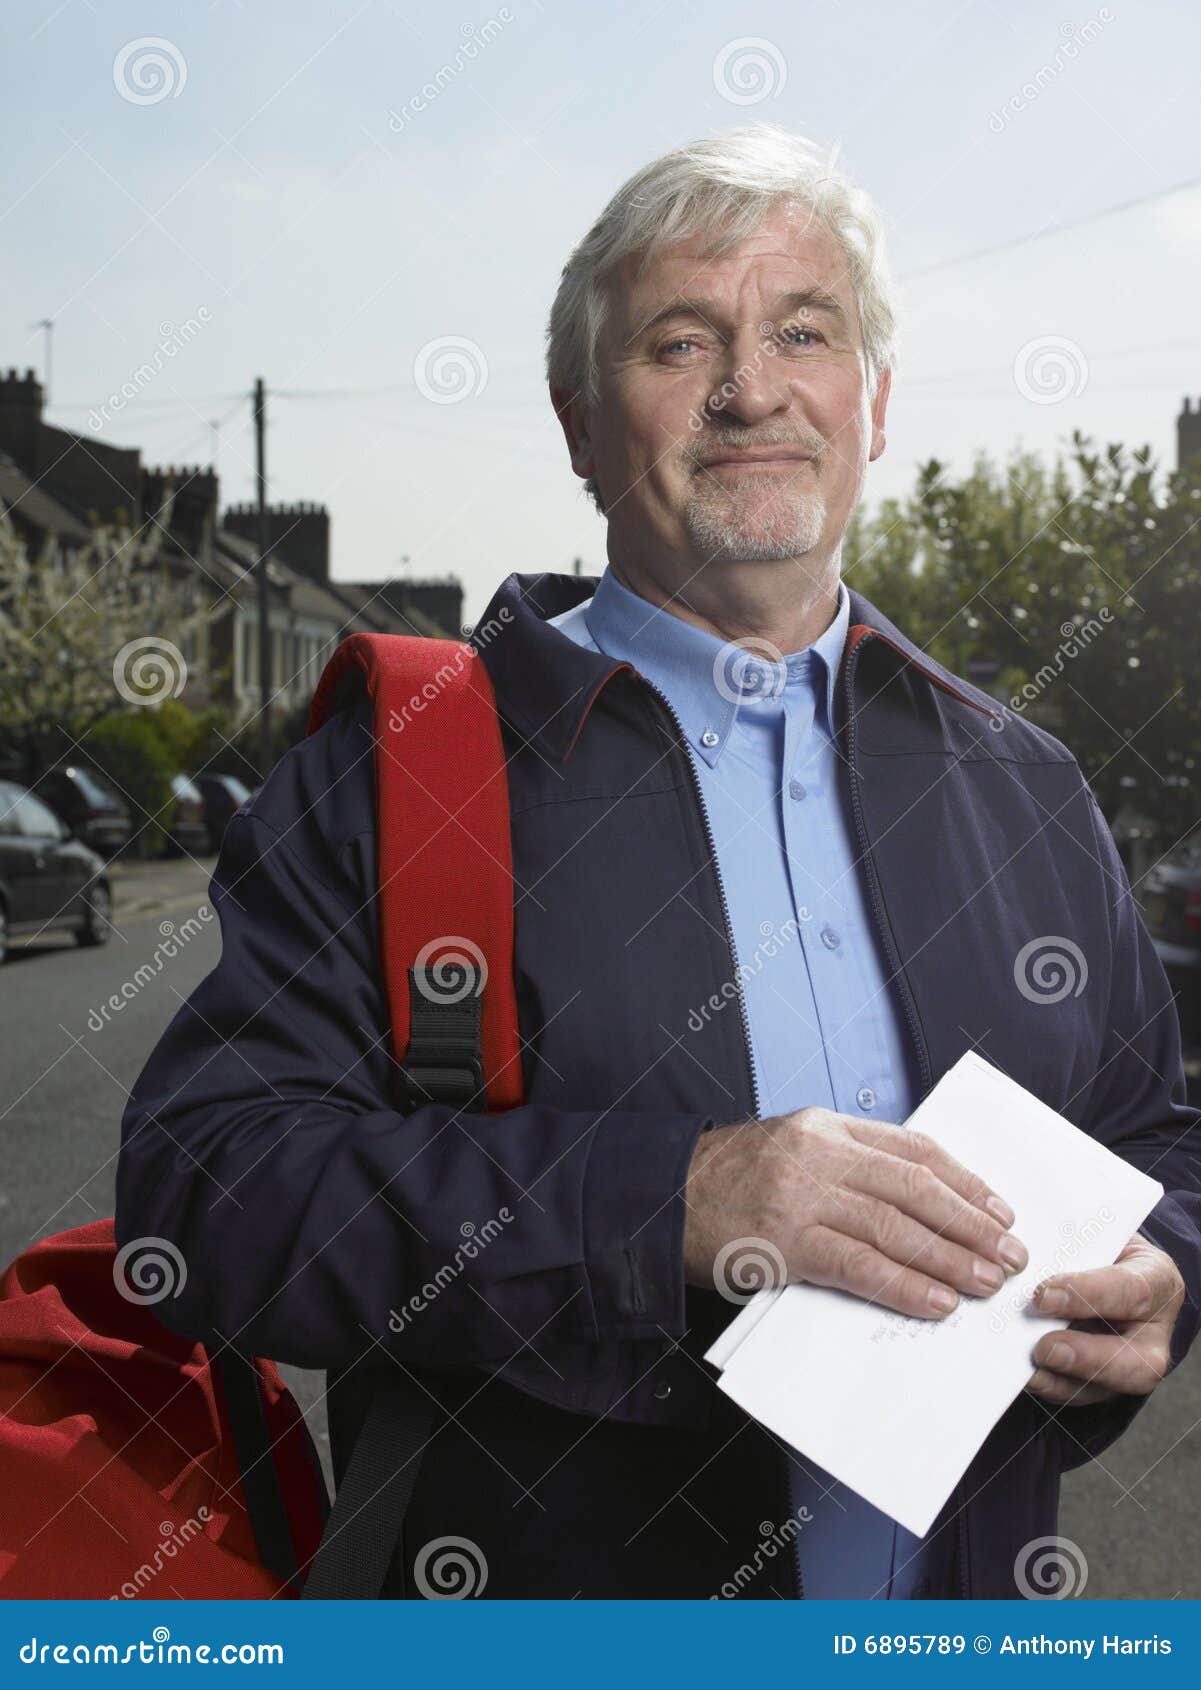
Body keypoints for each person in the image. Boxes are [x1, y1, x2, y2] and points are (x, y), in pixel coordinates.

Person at [117, 125, 1199, 1599]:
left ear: (873, 402)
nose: (751, 388)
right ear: (578, 423)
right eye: (681, 342)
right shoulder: (400, 771)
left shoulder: (1026, 782)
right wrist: (670, 1201)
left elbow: (1157, 1136)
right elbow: (204, 1193)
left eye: (804, 332)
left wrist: (1167, 1269)